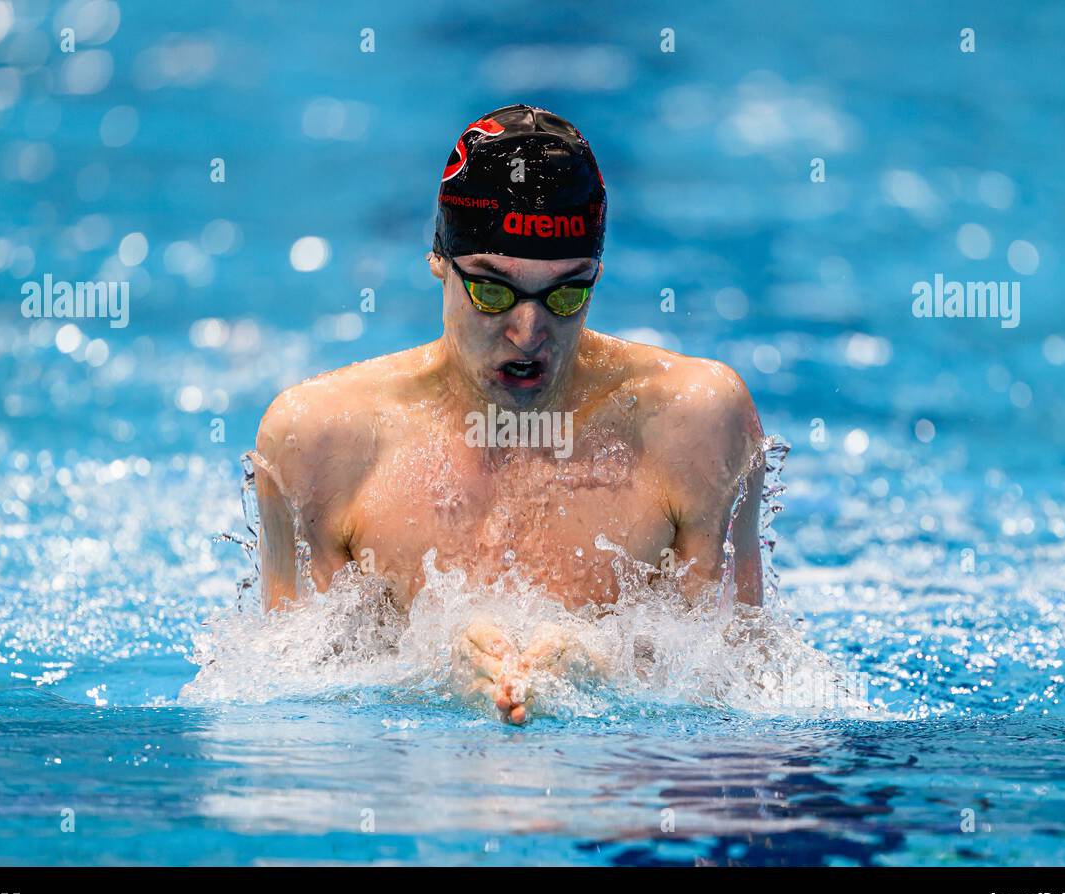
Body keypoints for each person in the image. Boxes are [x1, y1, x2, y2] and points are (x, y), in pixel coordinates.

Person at [252, 104, 765, 723]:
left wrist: (600, 671)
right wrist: (436, 677)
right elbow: (288, 710)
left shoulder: (695, 424)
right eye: (492, 292)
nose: (528, 332)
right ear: (439, 258)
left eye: (567, 294)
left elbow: (746, 693)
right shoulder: (318, 442)